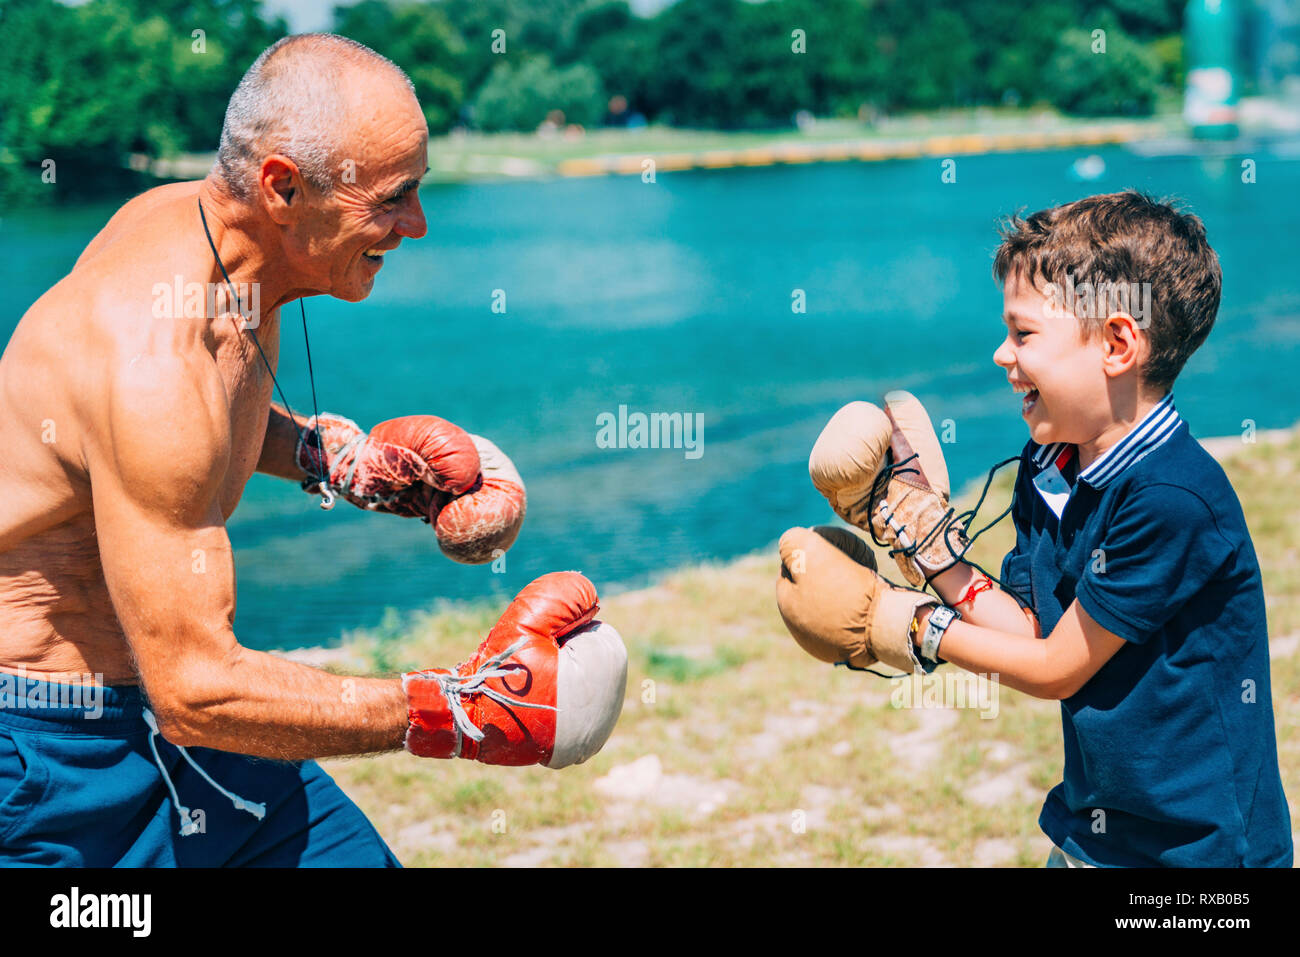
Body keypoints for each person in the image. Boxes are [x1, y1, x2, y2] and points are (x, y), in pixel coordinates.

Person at [0, 34, 626, 867]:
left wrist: (334, 460)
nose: (418, 226)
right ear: (283, 186)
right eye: (393, 199)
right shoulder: (149, 349)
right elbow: (197, 686)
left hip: (181, 727)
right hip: (52, 754)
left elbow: (179, 431)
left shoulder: (209, 242)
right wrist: (456, 710)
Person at [776, 190, 1292, 867]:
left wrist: (911, 627)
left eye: (1022, 334)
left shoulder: (1172, 497)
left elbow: (1056, 670)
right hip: (1099, 830)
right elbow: (1035, 630)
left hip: (1205, 854)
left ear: (1116, 343)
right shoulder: (1049, 466)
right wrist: (927, 547)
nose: (1000, 353)